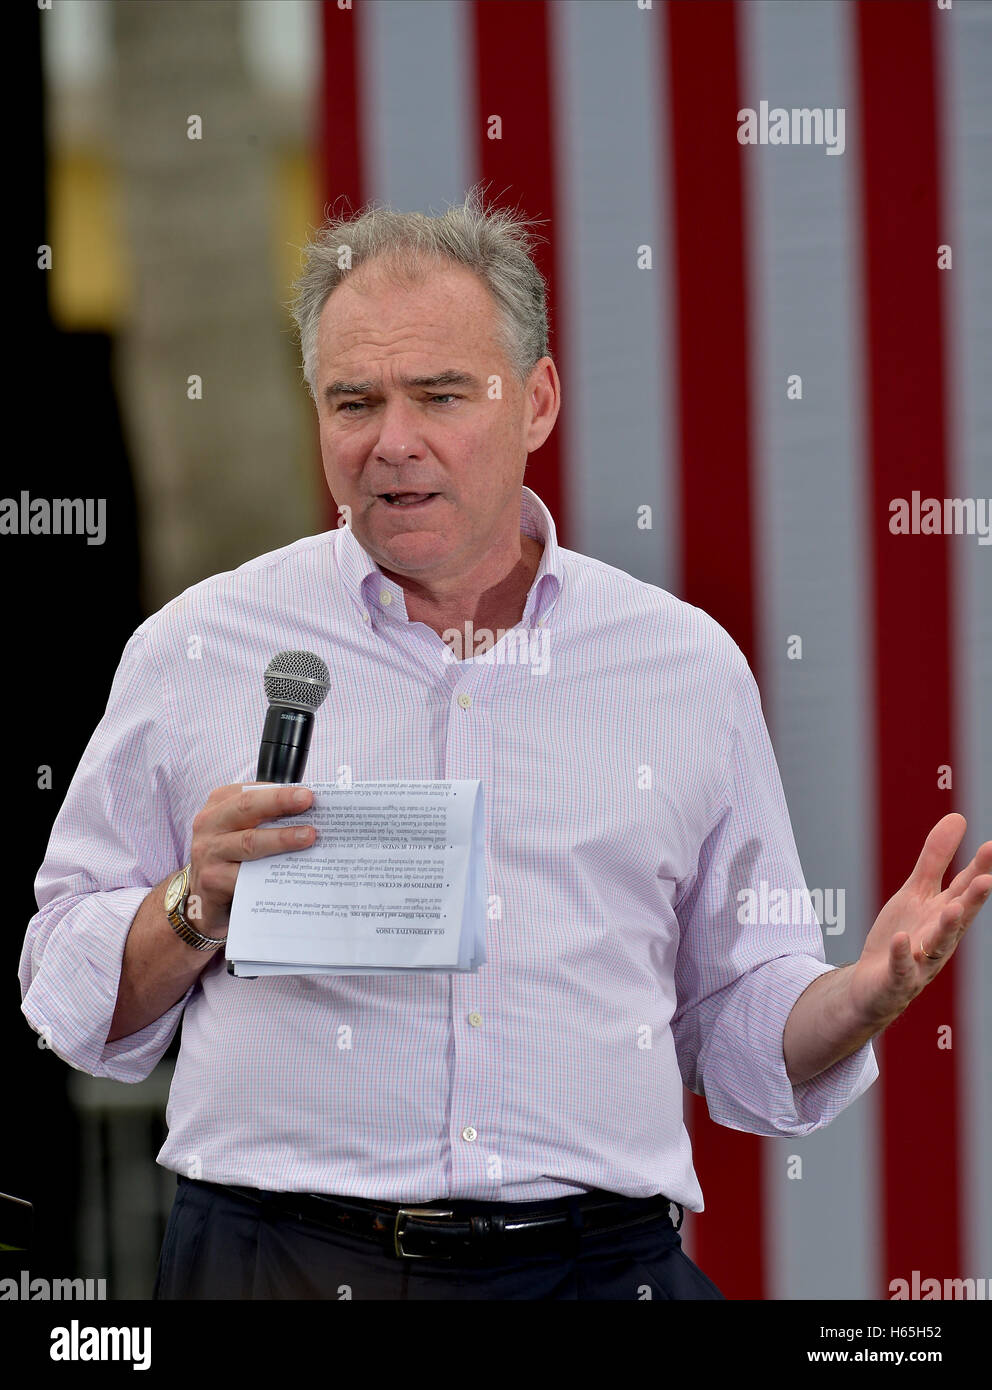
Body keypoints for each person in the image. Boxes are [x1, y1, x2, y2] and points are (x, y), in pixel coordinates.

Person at [19, 190, 992, 1301]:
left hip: (596, 1267)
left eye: (440, 394)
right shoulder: (197, 647)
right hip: (277, 1265)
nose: (393, 443)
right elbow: (62, 985)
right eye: (353, 401)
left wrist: (854, 998)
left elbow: (734, 1016)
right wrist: (190, 905)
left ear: (535, 400)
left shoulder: (682, 666)